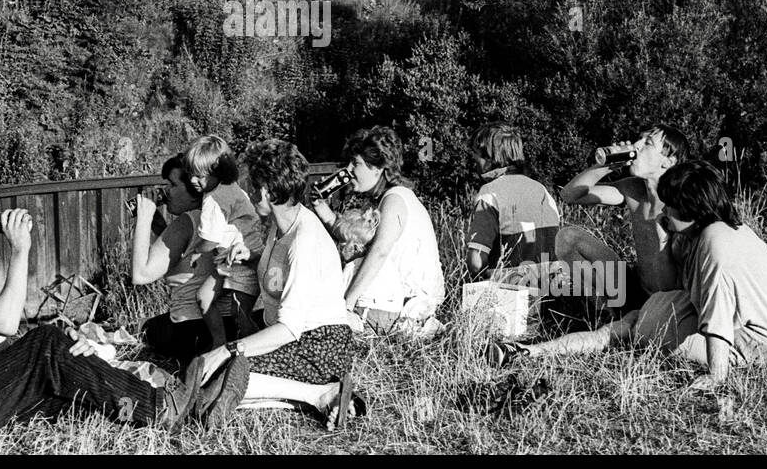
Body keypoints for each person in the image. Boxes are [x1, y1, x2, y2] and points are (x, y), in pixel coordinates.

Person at [0, 177, 190, 440]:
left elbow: (2, 349)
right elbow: (4, 322)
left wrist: (68, 349)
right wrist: (21, 249)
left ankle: (189, 410)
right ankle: (160, 406)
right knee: (45, 342)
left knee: (68, 395)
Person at [490, 162, 767, 388]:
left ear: (691, 207)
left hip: (753, 339)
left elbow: (717, 313)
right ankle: (532, 350)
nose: (664, 212)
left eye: (670, 207)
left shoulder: (714, 246)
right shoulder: (729, 229)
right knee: (630, 321)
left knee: (626, 329)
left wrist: (716, 375)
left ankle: (531, 352)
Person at [191, 138, 362, 428]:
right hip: (302, 339)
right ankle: (315, 396)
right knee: (212, 377)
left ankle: (319, 393)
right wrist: (252, 256)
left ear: (267, 191)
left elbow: (289, 329)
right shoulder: (282, 225)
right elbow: (279, 277)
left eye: (253, 186)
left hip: (318, 347)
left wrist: (227, 349)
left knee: (224, 368)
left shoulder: (304, 241)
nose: (249, 192)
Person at [312, 126, 444, 336]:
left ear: (379, 167)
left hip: (408, 304)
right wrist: (321, 208)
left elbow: (379, 251)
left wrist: (347, 304)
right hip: (395, 299)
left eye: (356, 164)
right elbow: (355, 238)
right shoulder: (389, 199)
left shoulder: (395, 199)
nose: (348, 171)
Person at [132, 153, 260, 367]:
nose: (166, 192)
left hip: (193, 330)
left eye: (172, 185)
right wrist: (160, 228)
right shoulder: (221, 213)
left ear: (194, 191)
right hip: (231, 321)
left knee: (147, 329)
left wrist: (143, 218)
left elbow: (140, 274)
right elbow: (183, 269)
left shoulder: (187, 221)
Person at [556, 124, 693, 312]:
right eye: (640, 138)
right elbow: (570, 195)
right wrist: (605, 166)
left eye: (648, 143)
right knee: (568, 238)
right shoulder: (633, 189)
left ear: (668, 161)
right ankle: (605, 312)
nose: (637, 145)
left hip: (669, 304)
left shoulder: (682, 205)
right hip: (635, 290)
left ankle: (633, 322)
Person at [183, 135, 262, 350]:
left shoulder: (214, 199)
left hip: (242, 258)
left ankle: (256, 351)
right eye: (190, 174)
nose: (192, 181)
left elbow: (210, 239)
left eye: (199, 176)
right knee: (204, 296)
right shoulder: (233, 189)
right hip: (230, 261)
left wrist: (196, 252)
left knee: (241, 315)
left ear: (217, 173)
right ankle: (219, 342)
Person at [465, 124, 561, 281]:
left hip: (510, 291)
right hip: (551, 289)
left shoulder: (489, 193)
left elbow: (476, 262)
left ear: (490, 157)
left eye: (476, 155)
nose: (474, 160)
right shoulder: (541, 190)